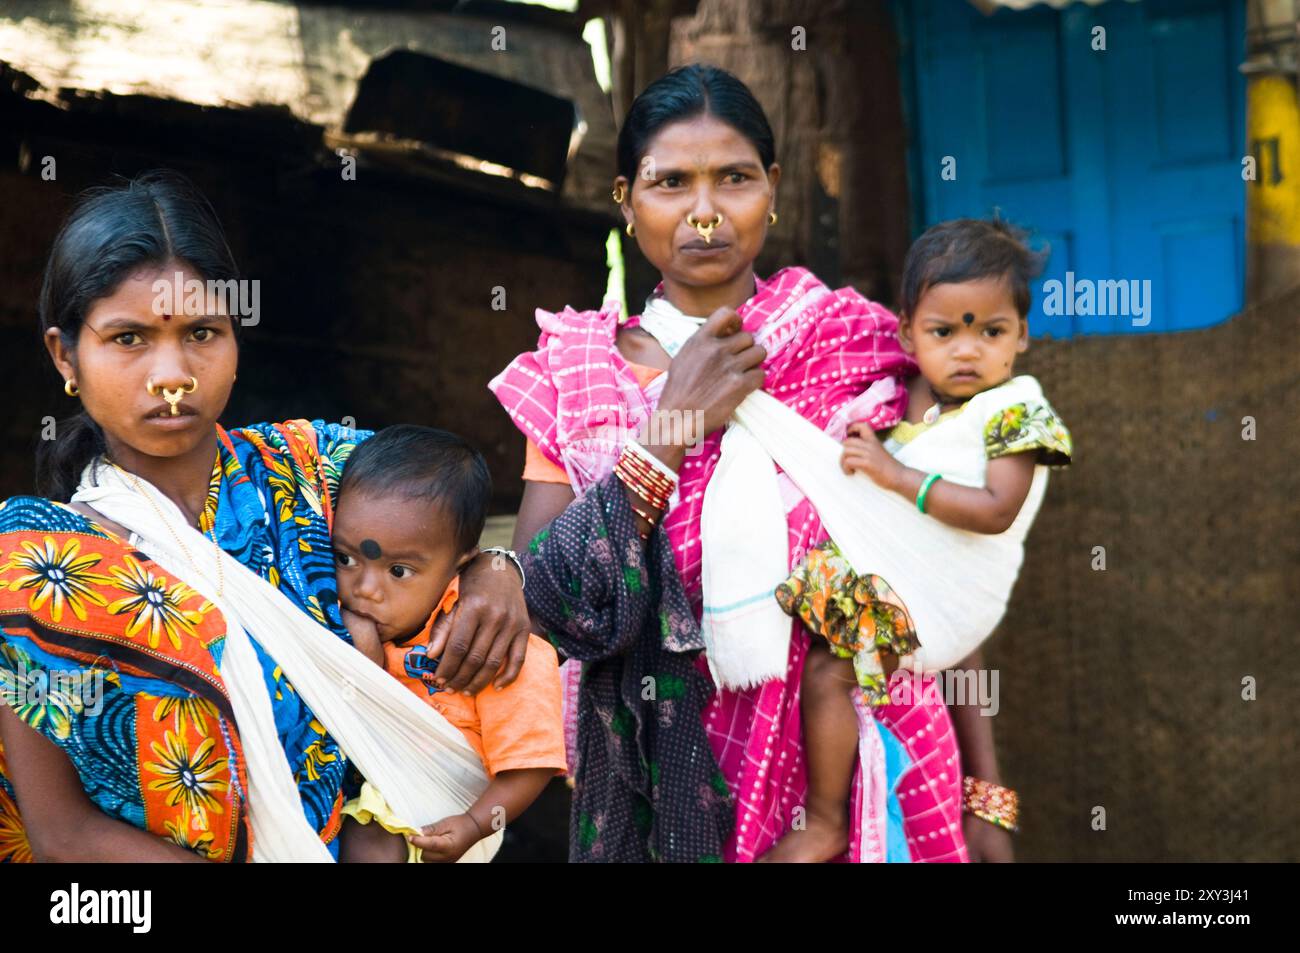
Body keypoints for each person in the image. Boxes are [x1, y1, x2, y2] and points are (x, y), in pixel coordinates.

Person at [491, 64, 1010, 862]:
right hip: (659, 785)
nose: (704, 213)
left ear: (772, 187)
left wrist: (988, 795)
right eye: (671, 184)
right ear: (626, 200)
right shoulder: (574, 376)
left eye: (733, 178)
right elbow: (553, 598)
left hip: (876, 774)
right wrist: (671, 423)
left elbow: (927, 566)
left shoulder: (854, 343)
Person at [0, 172, 532, 862]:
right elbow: (62, 832)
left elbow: (453, 512)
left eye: (201, 332)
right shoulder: (36, 571)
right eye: (128, 338)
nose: (172, 373)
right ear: (64, 355)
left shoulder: (316, 473)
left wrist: (497, 567)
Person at [765, 217, 1073, 861]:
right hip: (886, 610)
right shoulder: (892, 400)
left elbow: (995, 512)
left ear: (1021, 337)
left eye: (991, 332)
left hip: (943, 614)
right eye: (943, 332)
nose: (968, 351)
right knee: (827, 670)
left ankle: (822, 820)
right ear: (906, 333)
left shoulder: (1017, 408)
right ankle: (826, 817)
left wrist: (896, 475)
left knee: (835, 670)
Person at [329, 425, 565, 862]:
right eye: (345, 558)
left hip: (441, 816)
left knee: (370, 843)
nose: (365, 589)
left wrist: (476, 825)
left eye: (398, 571)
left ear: (461, 564)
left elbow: (531, 765)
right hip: (363, 788)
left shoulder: (494, 648)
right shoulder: (326, 614)